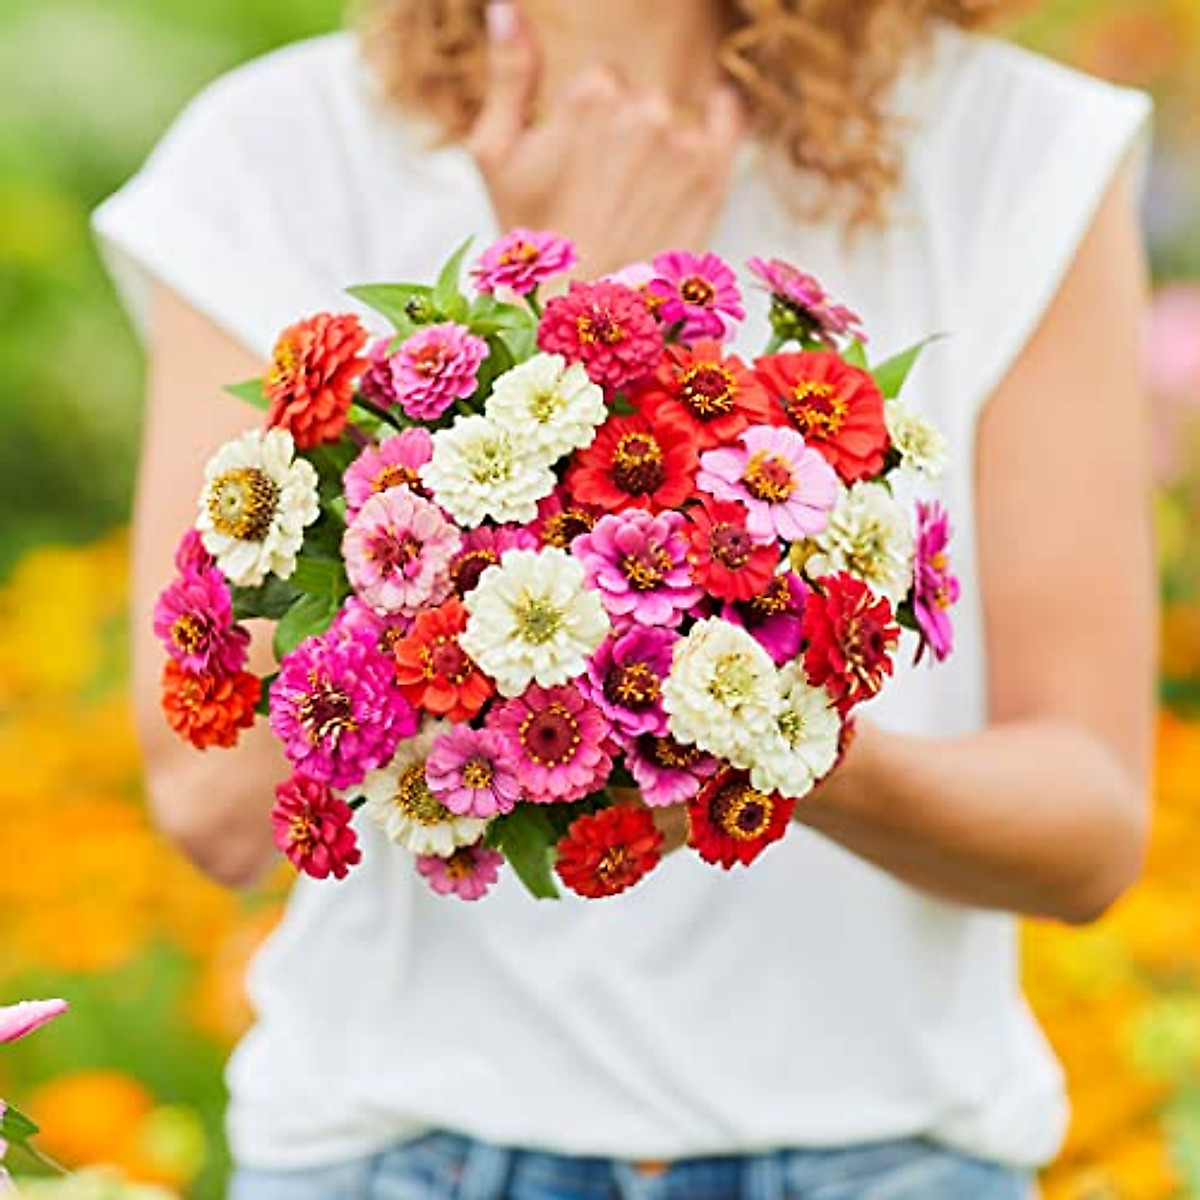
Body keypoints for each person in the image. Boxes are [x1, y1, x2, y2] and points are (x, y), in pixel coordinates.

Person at [91, 1, 1157, 1196]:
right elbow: (217, 801)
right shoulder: (284, 150)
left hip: (886, 1158)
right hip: (401, 1153)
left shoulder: (1008, 145)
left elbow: (1087, 826)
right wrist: (558, 305)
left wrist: (759, 739)